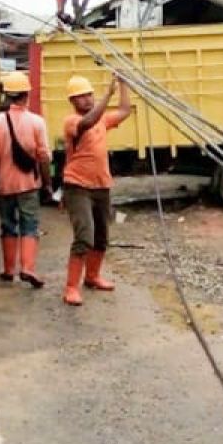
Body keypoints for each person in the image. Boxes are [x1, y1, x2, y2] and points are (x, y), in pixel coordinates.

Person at [61, 74, 132, 306]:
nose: (87, 99)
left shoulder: (102, 120)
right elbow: (88, 122)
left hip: (101, 186)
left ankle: (92, 277)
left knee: (102, 237)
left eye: (89, 94)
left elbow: (124, 110)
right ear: (73, 101)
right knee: (84, 236)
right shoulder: (72, 121)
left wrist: (123, 84)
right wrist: (107, 94)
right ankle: (71, 287)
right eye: (81, 97)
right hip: (78, 186)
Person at [0, 71, 51, 286]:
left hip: (5, 185)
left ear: (7, 96)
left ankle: (8, 270)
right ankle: (28, 268)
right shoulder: (37, 122)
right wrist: (47, 185)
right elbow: (43, 157)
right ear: (26, 95)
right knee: (30, 226)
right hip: (29, 185)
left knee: (7, 225)